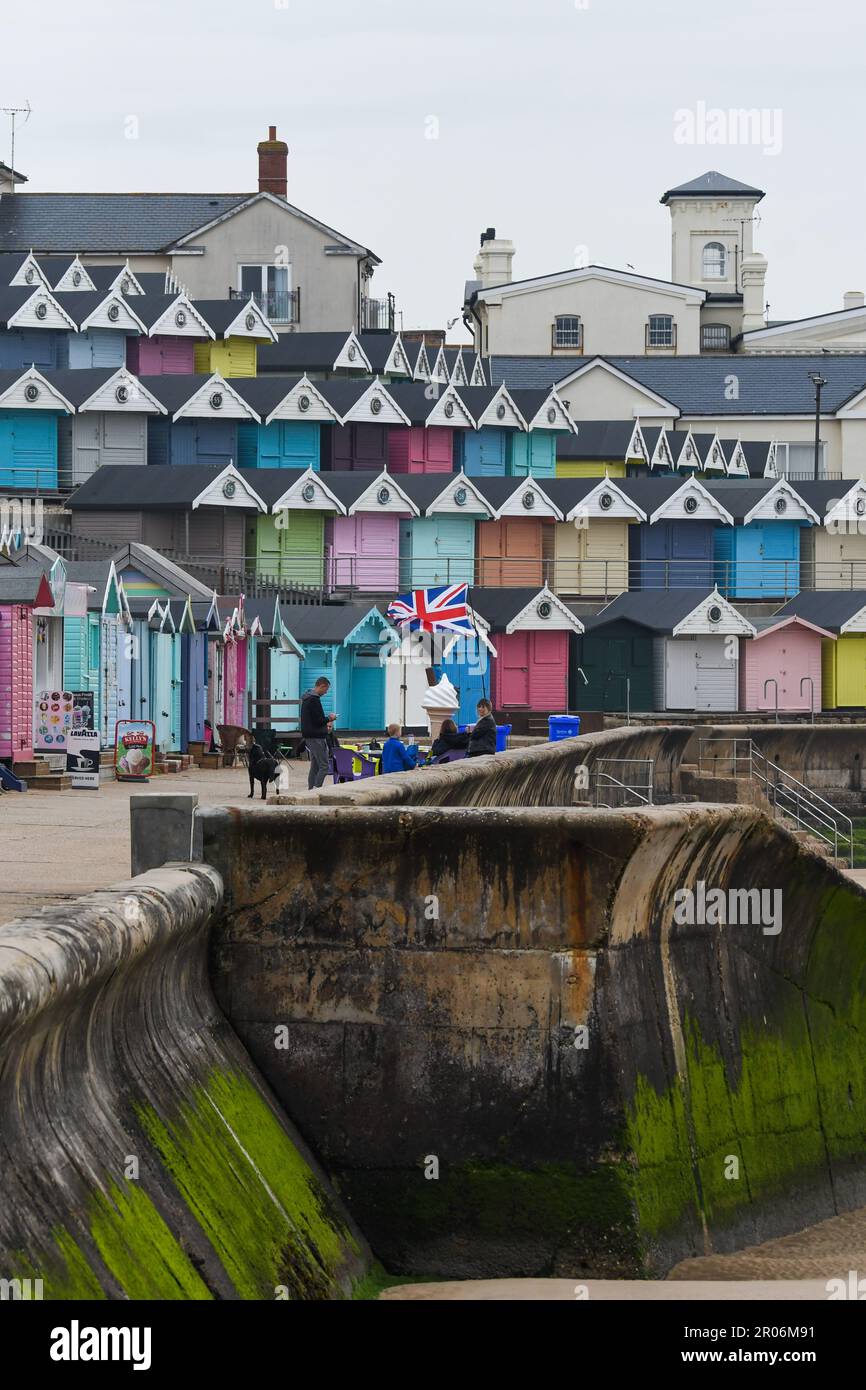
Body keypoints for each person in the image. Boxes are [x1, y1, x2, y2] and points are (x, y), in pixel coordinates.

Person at [300, 677, 337, 789]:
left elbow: (313, 719)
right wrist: (330, 718)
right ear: (322, 686)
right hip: (316, 737)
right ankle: (316, 788)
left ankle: (311, 789)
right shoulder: (314, 699)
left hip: (309, 736)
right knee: (324, 766)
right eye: (326, 690)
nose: (326, 693)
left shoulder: (306, 698)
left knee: (315, 766)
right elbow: (318, 720)